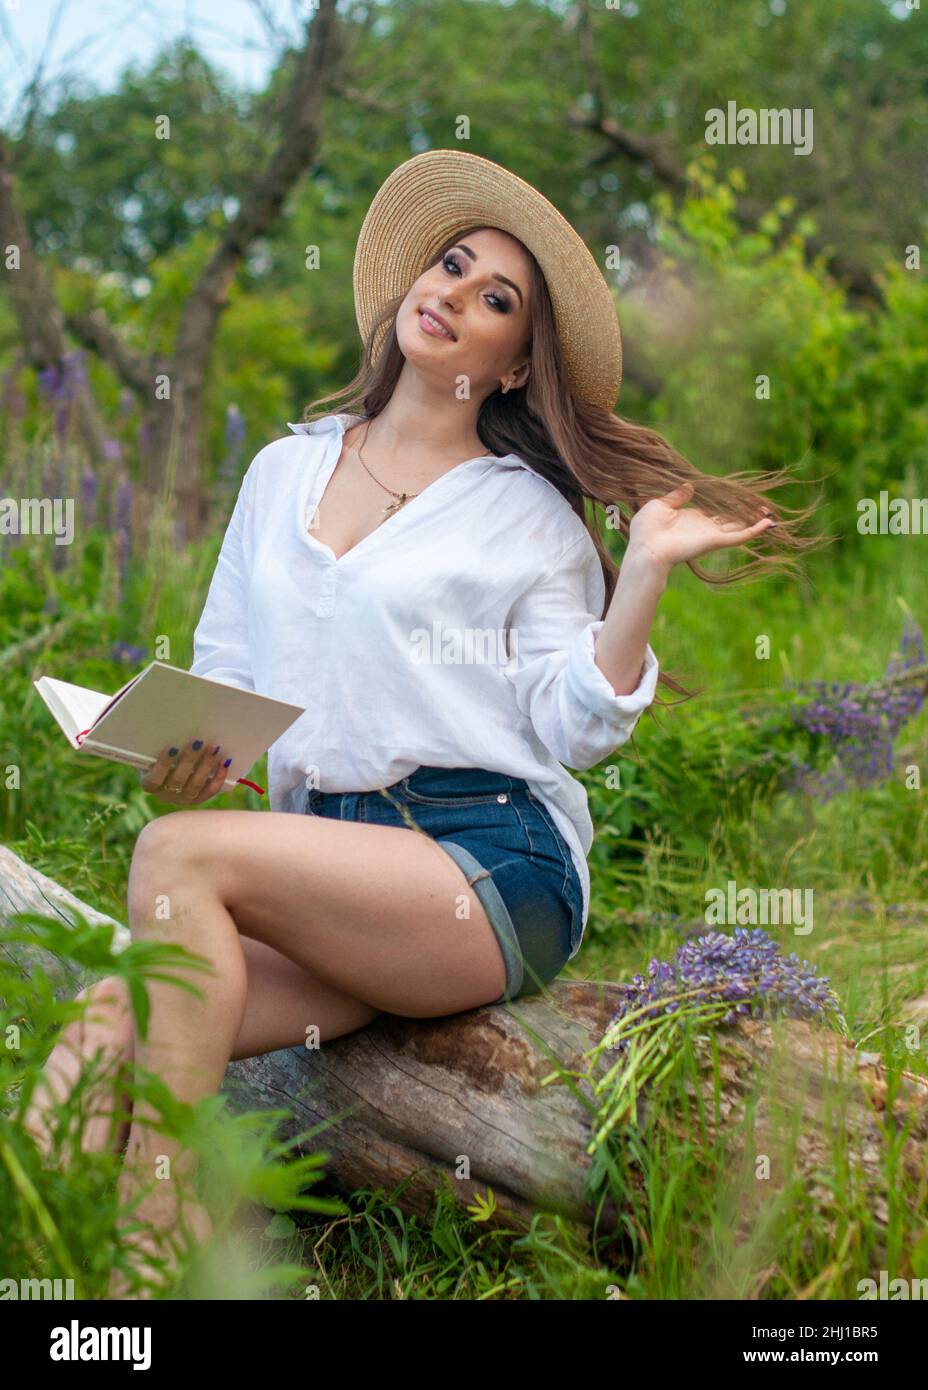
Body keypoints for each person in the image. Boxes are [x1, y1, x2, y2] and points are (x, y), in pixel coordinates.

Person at [24, 150, 812, 1297]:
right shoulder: (279, 474)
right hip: (324, 871)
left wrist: (638, 575)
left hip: (485, 861)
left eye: (495, 298)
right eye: (450, 266)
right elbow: (228, 676)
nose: (454, 293)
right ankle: (40, 1255)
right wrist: (190, 765)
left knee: (175, 860)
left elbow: (576, 721)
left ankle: (156, 1240)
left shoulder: (526, 517)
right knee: (115, 1003)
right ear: (406, 290)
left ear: (513, 363)